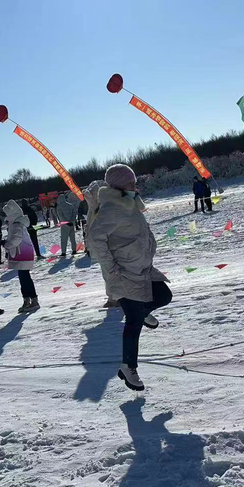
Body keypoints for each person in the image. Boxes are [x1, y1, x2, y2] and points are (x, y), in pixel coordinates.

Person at [88, 164, 172, 392]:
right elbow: (95, 240)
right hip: (123, 274)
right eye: (130, 182)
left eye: (134, 182)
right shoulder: (112, 208)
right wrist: (111, 267)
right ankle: (128, 367)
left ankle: (145, 313)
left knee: (164, 294)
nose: (135, 186)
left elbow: (140, 230)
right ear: (118, 185)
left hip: (141, 267)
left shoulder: (130, 203)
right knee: (133, 321)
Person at [3, 200, 40, 313]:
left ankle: (32, 300)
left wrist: (6, 244)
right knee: (23, 278)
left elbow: (16, 239)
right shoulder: (16, 223)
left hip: (22, 253)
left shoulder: (17, 224)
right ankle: (28, 300)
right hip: (21, 253)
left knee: (25, 278)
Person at [85, 179, 118, 308]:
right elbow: (89, 227)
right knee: (107, 272)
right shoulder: (93, 209)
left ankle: (116, 297)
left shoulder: (105, 208)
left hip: (108, 245)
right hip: (100, 245)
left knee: (111, 272)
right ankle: (113, 296)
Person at [57, 192, 79, 256]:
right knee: (72, 238)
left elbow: (61, 216)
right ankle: (74, 250)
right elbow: (74, 214)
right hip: (72, 224)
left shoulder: (59, 207)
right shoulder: (70, 205)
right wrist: (71, 221)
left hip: (64, 225)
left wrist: (66, 222)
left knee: (64, 239)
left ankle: (63, 252)